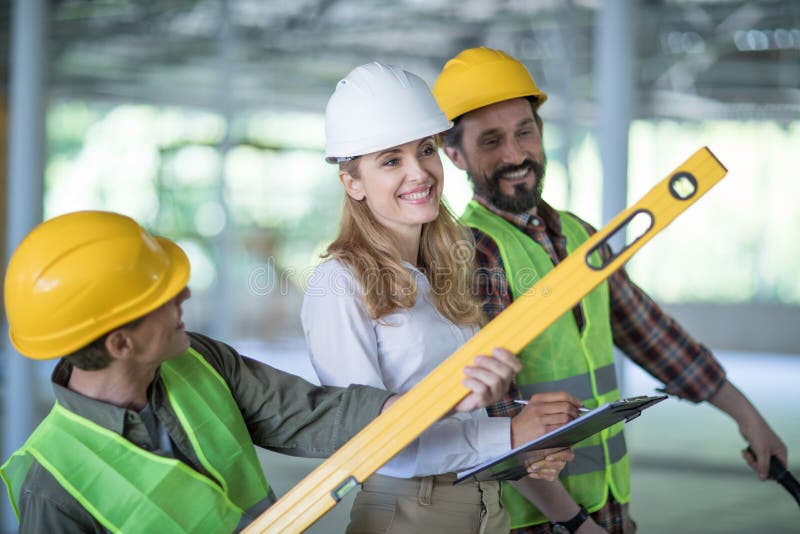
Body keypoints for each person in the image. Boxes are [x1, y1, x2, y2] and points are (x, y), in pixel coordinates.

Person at [432, 46, 789, 533]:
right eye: (491, 141)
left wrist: (747, 415)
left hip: (606, 504)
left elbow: (652, 334)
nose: (515, 155)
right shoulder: (473, 254)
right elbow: (492, 420)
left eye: (524, 132)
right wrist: (576, 524)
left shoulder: (579, 236)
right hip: (538, 519)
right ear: (454, 154)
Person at [0, 210, 524, 534]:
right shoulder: (53, 485)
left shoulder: (196, 360)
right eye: (161, 297)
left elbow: (310, 415)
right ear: (120, 342)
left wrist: (443, 397)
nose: (183, 294)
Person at [301, 62, 580, 534]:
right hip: (407, 514)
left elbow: (466, 414)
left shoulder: (447, 271)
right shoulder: (339, 284)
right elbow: (368, 445)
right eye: (391, 160)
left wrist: (525, 447)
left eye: (425, 150)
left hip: (487, 502)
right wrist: (509, 433)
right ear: (353, 182)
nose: (420, 173)